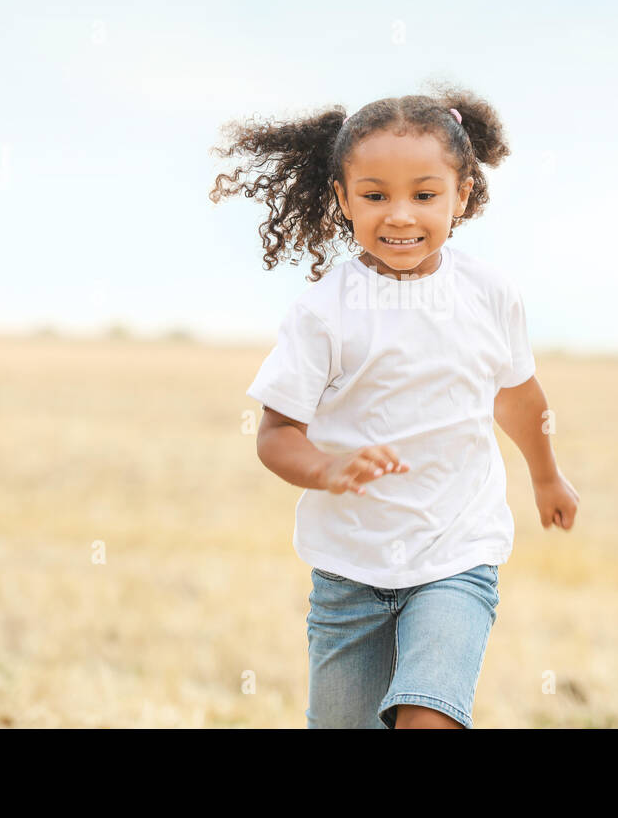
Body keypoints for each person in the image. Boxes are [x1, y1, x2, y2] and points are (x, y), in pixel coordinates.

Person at [212, 86, 579, 728]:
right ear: (343, 199)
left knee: (428, 719)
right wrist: (326, 468)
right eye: (376, 195)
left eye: (425, 194)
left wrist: (545, 475)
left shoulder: (489, 294)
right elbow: (276, 434)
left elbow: (518, 397)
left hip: (456, 554)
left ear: (462, 195)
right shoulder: (323, 312)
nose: (400, 215)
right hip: (349, 570)